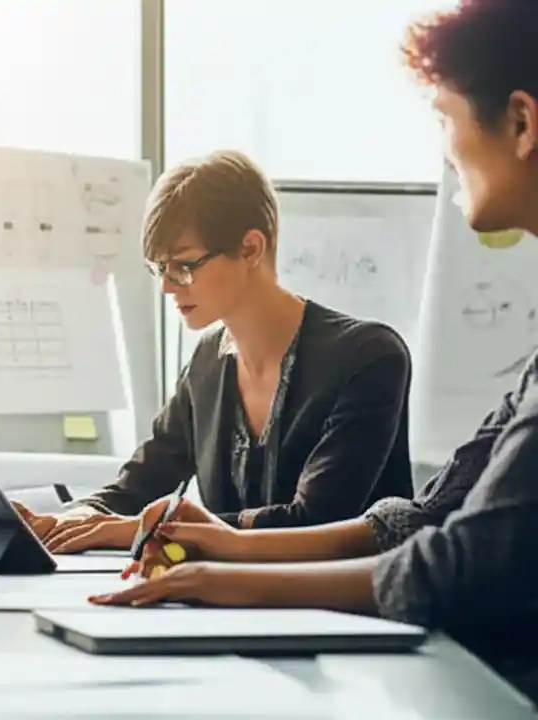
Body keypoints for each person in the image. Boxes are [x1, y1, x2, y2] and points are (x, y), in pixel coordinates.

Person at [95, 0, 538, 702]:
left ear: (520, 123)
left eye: (445, 119)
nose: (447, 153)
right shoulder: (209, 364)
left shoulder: (364, 355)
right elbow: (422, 518)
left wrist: (229, 578)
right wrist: (232, 551)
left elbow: (458, 565)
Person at [15, 150, 414, 553]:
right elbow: (135, 487)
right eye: (159, 269)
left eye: (184, 266)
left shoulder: (368, 358)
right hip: (231, 604)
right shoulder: (208, 362)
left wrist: (140, 529)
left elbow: (316, 520)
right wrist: (68, 518)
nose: (168, 286)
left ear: (250, 249)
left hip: (349, 609)